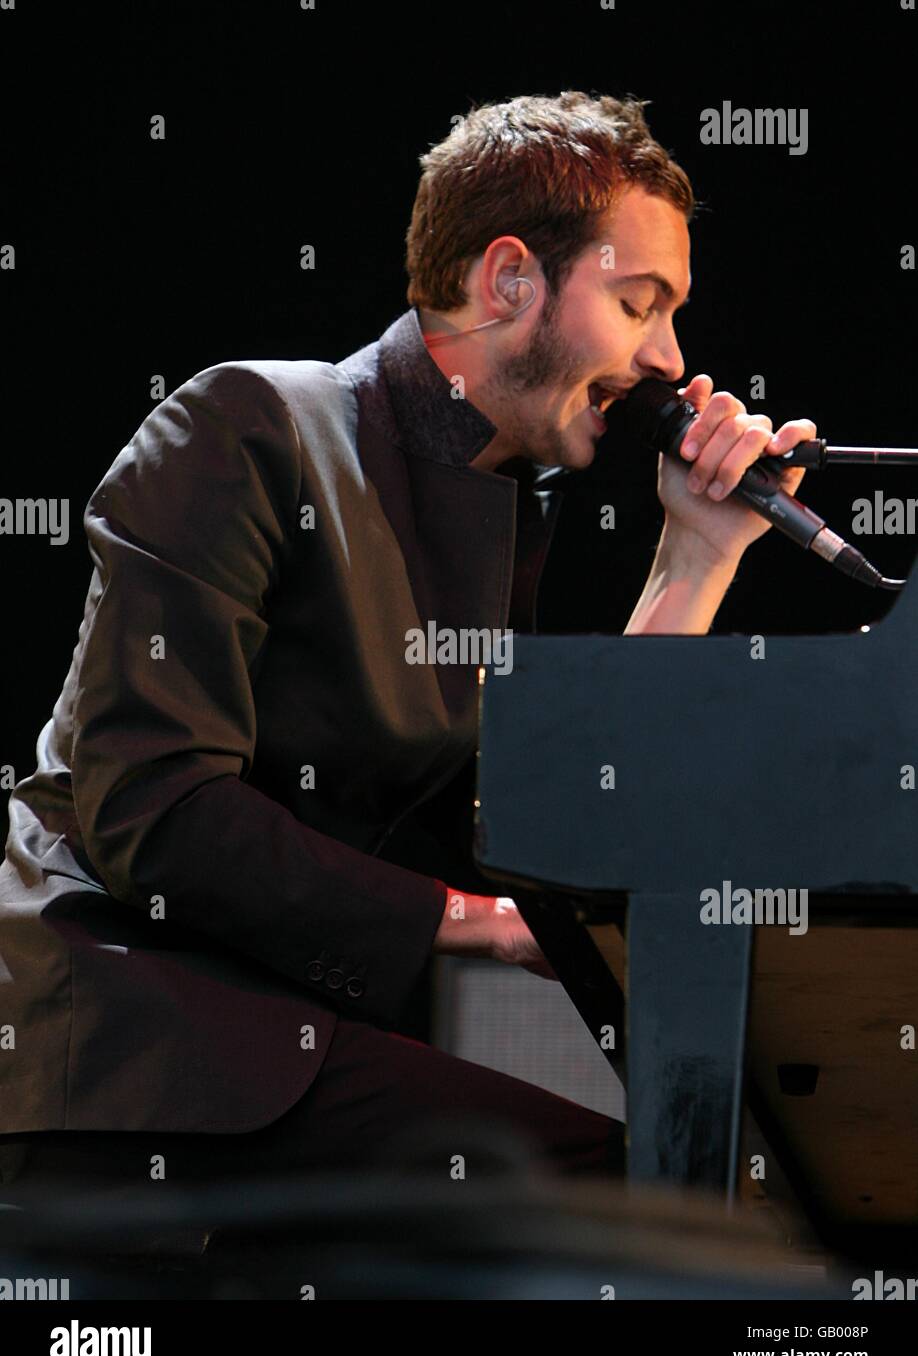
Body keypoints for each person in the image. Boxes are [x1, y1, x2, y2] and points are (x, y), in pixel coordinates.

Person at [0, 91, 816, 1197]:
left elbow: (566, 820)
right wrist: (481, 926)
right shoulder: (245, 423)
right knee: (640, 1177)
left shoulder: (506, 498)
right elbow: (153, 812)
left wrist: (695, 559)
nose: (670, 359)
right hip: (133, 1018)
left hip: (300, 1012)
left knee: (727, 1151)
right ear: (510, 279)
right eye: (640, 303)